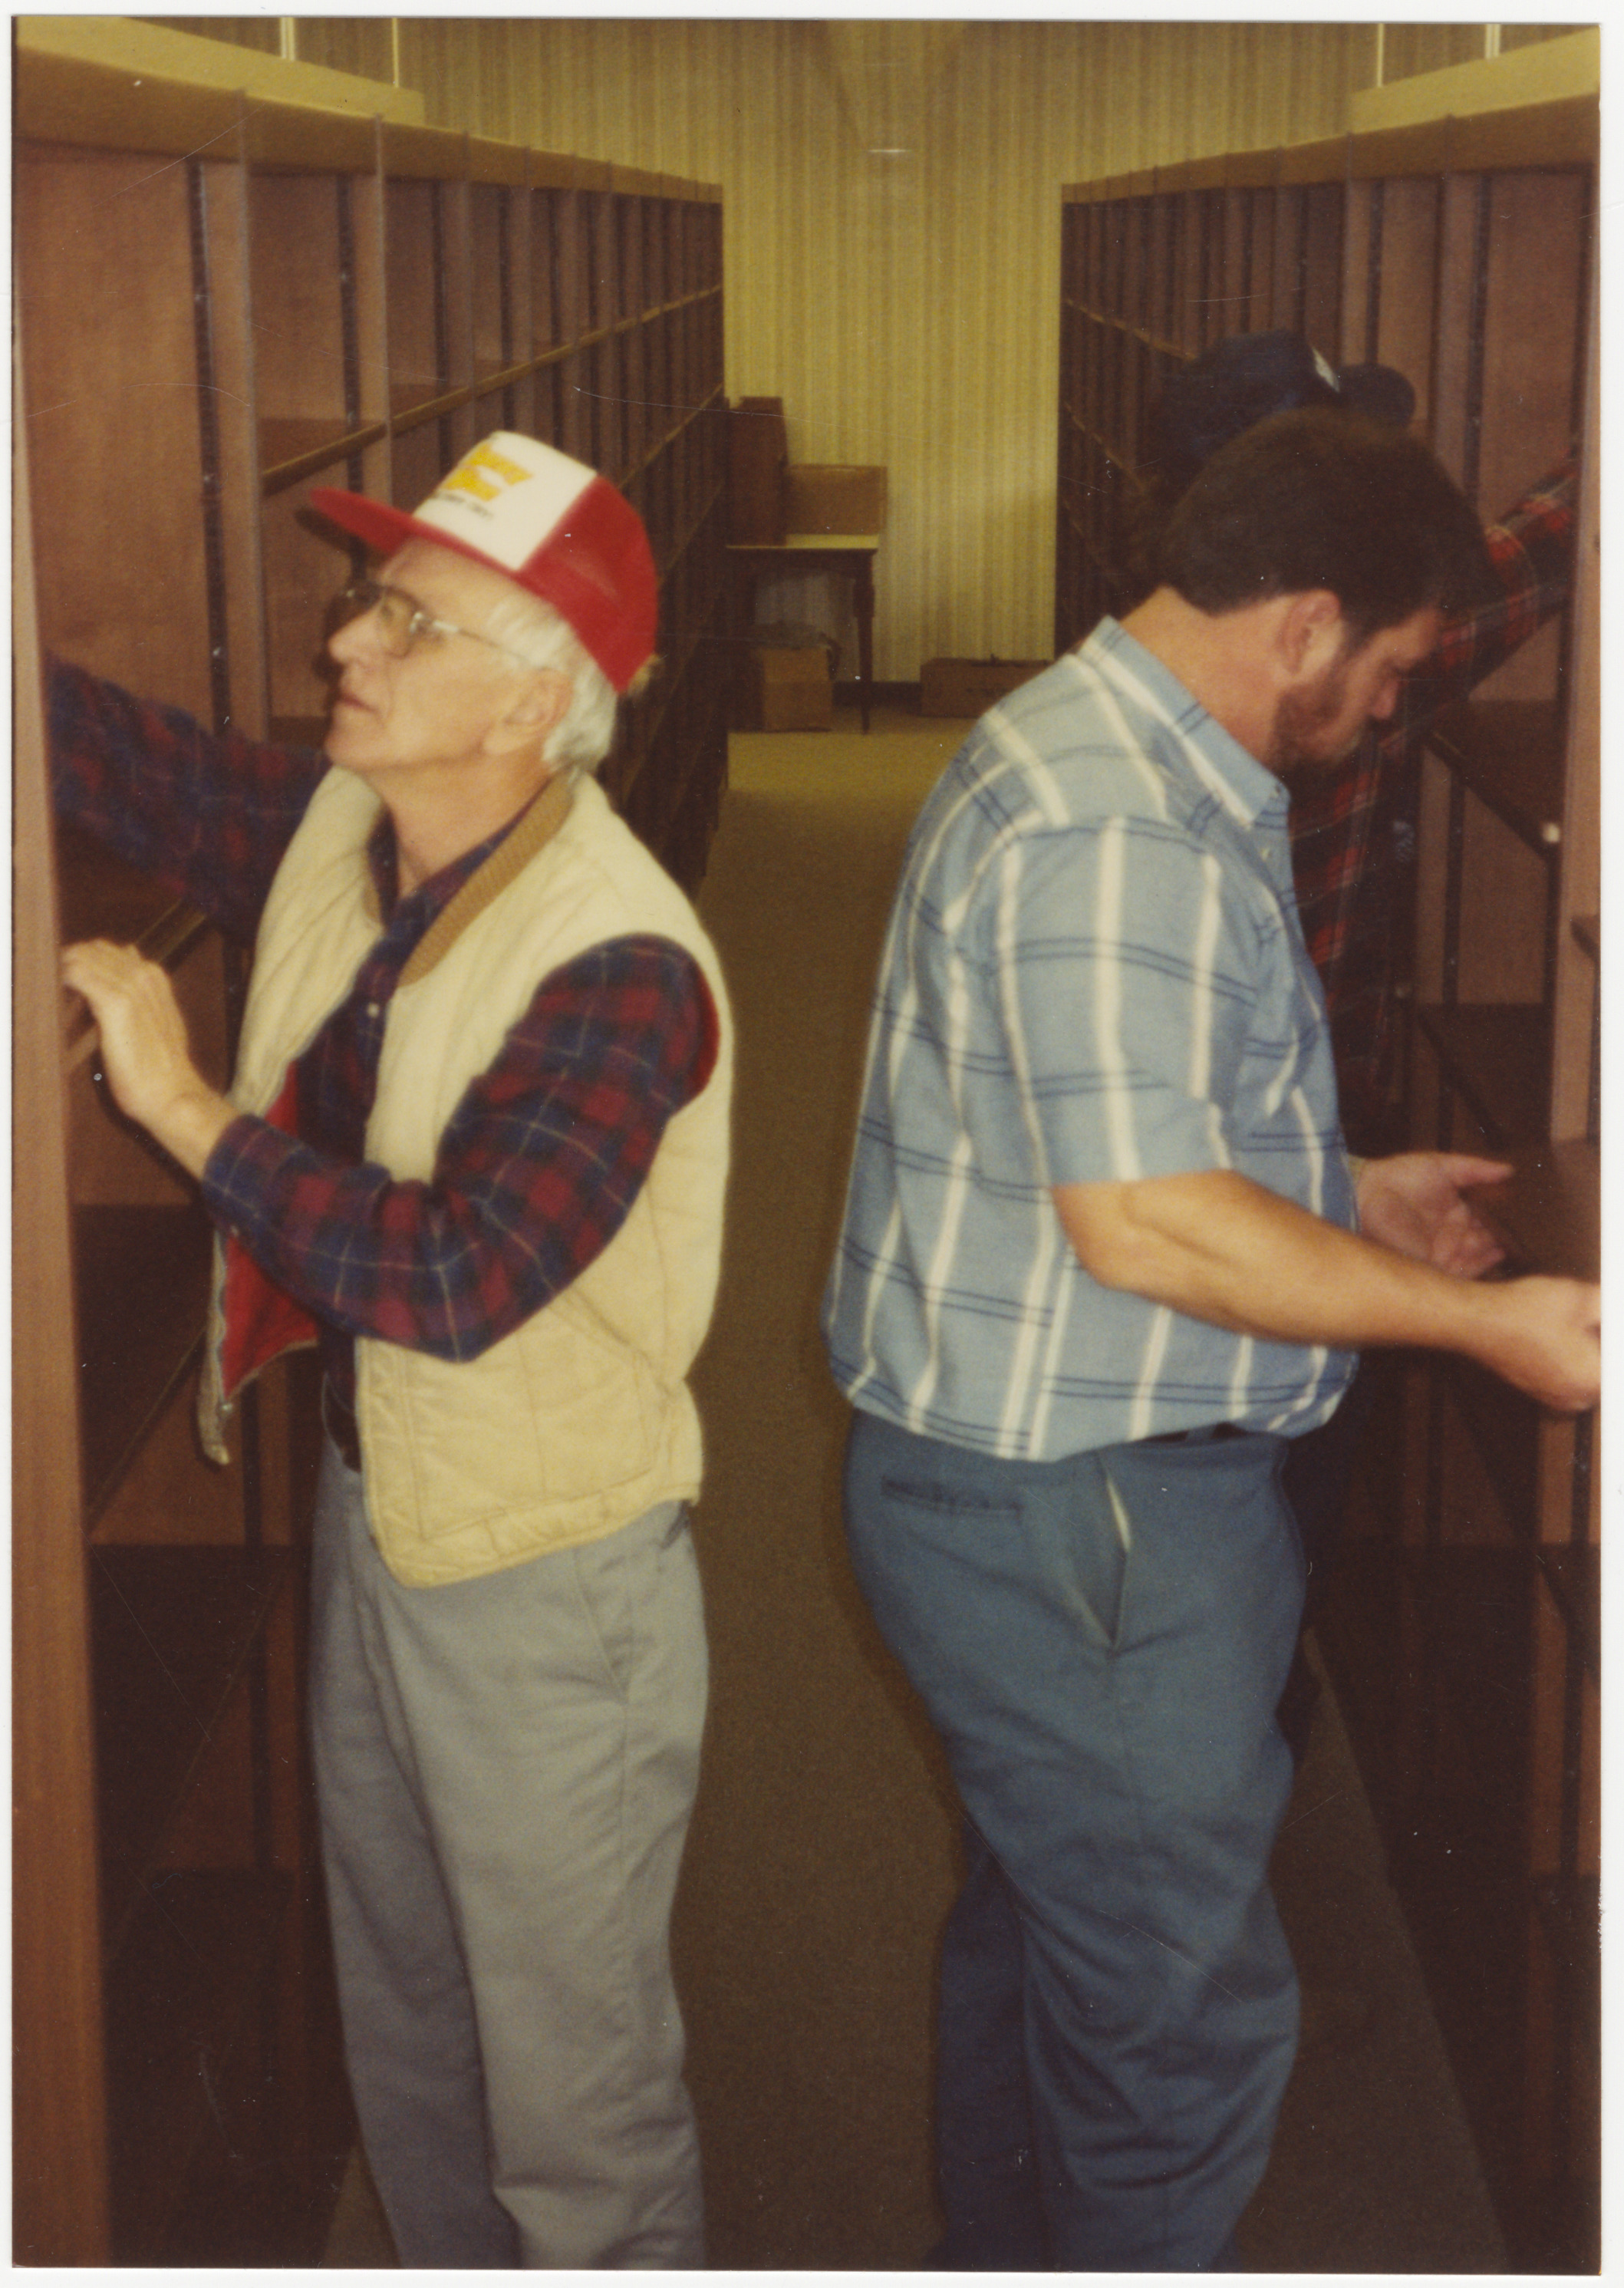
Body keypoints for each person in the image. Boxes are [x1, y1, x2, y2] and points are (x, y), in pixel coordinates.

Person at [822, 407, 1599, 2272]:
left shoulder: (1090, 743)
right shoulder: (1123, 829)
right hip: (1085, 1520)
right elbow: (1148, 1217)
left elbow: (1106, 1127)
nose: (1396, 714)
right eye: (1396, 672)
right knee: (1175, 2030)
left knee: (1056, 1942)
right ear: (1311, 623)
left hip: (1038, 1490)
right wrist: (1479, 1325)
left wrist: (1343, 1188)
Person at [55, 432, 732, 2269]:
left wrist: (185, 1110)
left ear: (533, 702)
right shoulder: (354, 832)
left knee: (577, 2112)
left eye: (414, 623)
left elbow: (456, 1276)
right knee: (417, 2034)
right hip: (389, 1521)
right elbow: (95, 748)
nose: (353, 641)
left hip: (545, 1577)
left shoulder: (620, 960)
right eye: (372, 599)